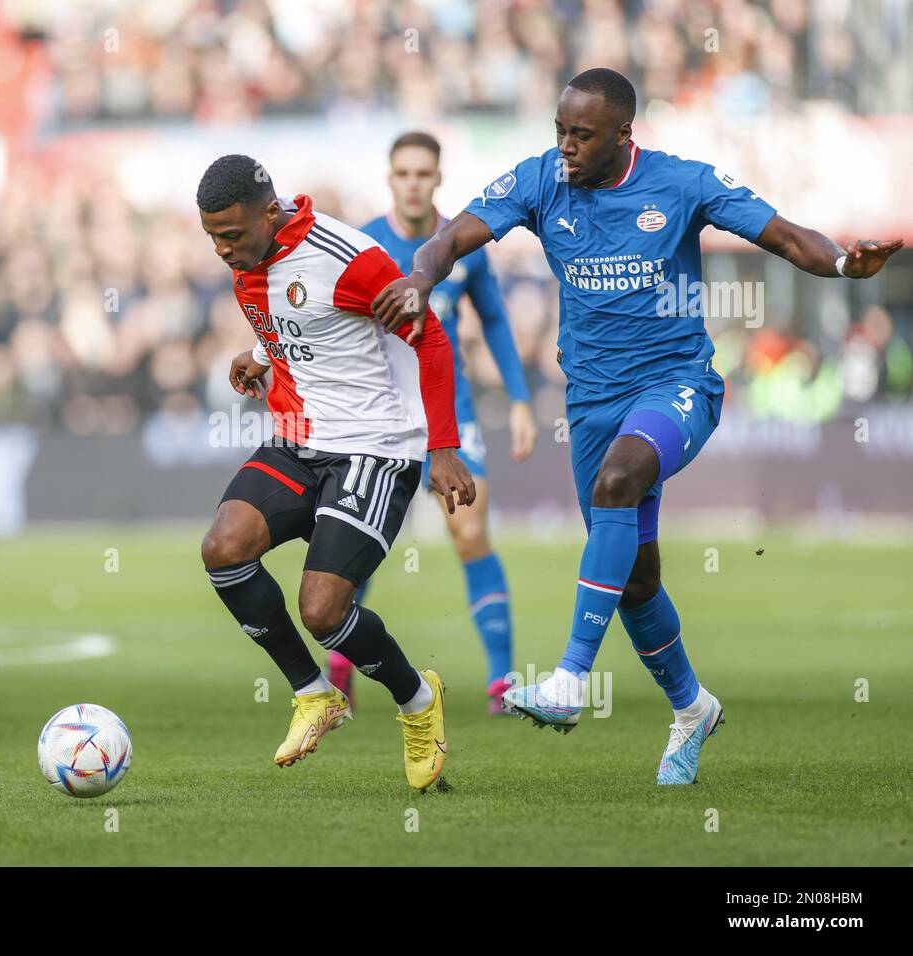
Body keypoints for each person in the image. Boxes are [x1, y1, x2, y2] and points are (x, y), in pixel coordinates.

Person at [372, 69, 903, 784]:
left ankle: (569, 679)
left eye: (581, 135)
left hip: (676, 386)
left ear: (624, 135)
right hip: (591, 403)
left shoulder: (682, 183)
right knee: (634, 580)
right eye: (560, 131)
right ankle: (692, 708)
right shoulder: (540, 180)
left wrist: (841, 262)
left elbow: (783, 236)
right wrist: (421, 277)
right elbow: (450, 238)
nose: (565, 146)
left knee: (619, 480)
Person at [197, 154, 475, 791]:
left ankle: (416, 701)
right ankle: (313, 693)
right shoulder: (249, 262)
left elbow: (430, 339)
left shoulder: (348, 257)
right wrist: (261, 355)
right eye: (212, 236)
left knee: (322, 612)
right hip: (300, 437)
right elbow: (307, 323)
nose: (222, 249)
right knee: (223, 549)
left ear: (271, 213)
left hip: (374, 447)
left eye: (231, 235)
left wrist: (442, 449)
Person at [330, 131, 536, 715]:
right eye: (404, 173)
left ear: (438, 178)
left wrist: (520, 399)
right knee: (357, 547)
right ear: (390, 179)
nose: (414, 184)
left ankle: (501, 682)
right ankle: (341, 661)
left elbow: (493, 320)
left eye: (423, 173)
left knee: (469, 534)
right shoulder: (363, 244)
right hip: (378, 419)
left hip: (452, 414)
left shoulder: (460, 246)